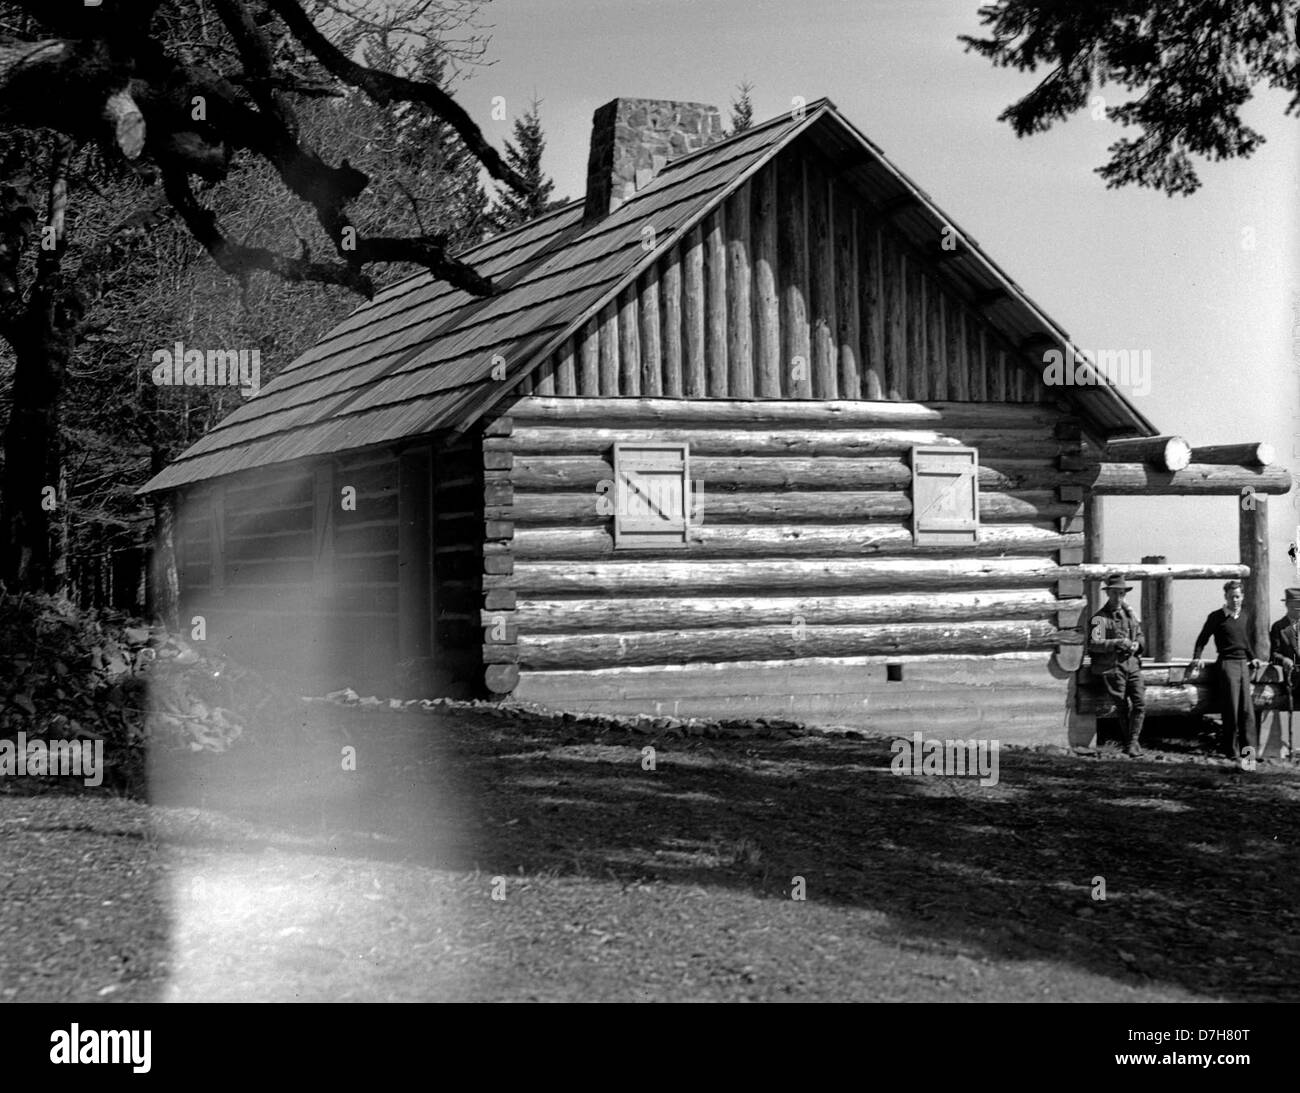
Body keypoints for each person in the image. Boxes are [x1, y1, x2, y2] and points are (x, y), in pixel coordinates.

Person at [1190, 580, 1262, 759]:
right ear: (1226, 597)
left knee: (1247, 711)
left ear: (1242, 597)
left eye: (1238, 597)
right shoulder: (1216, 616)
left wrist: (1253, 658)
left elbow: (1245, 642)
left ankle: (1249, 757)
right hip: (1226, 664)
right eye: (1232, 597)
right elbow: (1202, 639)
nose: (1235, 600)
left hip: (1243, 664)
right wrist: (1196, 658)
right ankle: (1231, 752)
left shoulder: (1244, 616)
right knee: (1231, 709)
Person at [1088, 573, 1146, 757]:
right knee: (1122, 707)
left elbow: (1140, 635)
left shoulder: (1129, 615)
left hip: (1132, 664)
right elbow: (1093, 645)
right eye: (1115, 593)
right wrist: (1115, 643)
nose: (1119, 597)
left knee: (1140, 704)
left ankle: (1131, 742)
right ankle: (1130, 745)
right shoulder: (1100, 618)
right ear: (1108, 594)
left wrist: (1137, 644)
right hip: (1112, 667)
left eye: (1122, 593)